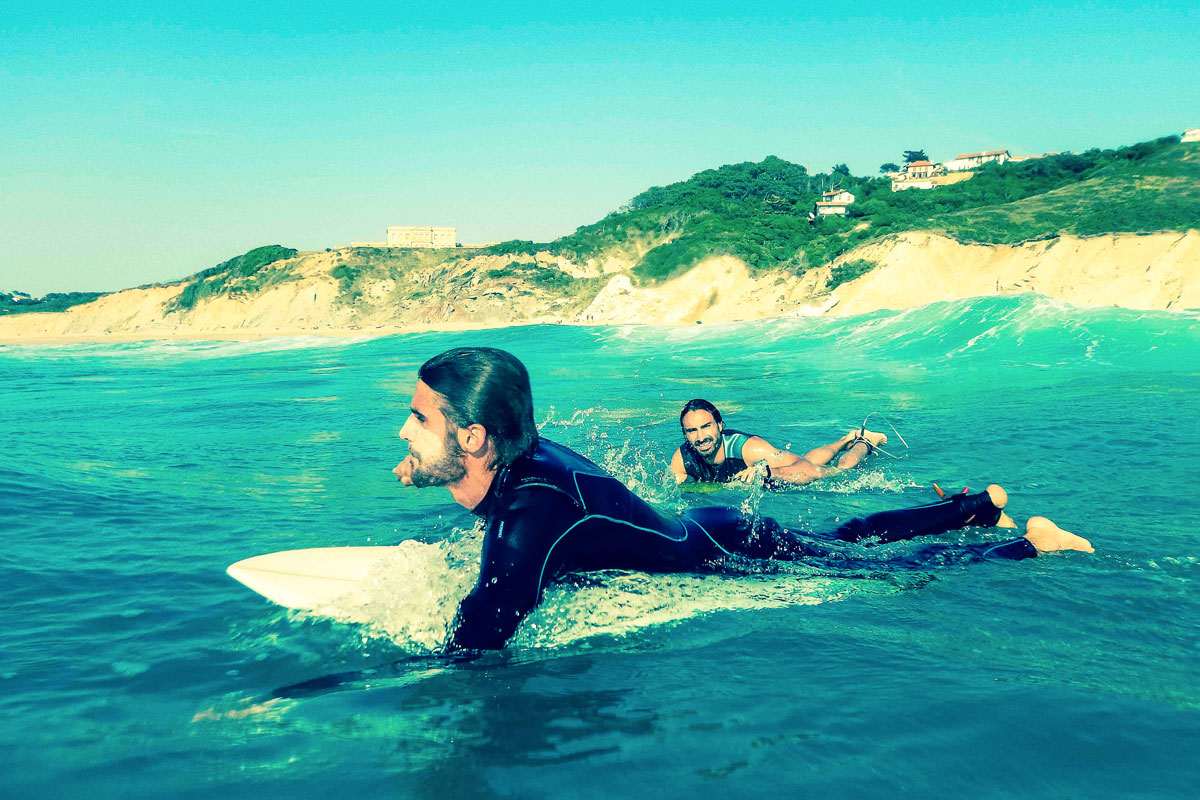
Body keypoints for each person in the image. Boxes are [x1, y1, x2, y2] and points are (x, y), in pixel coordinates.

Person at [393, 347, 1093, 652]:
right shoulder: (523, 457)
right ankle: (969, 508)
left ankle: (1027, 542)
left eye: (420, 419)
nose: (403, 430)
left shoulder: (531, 509)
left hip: (727, 550)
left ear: (477, 435)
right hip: (710, 524)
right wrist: (435, 464)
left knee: (873, 569)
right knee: (844, 539)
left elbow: (479, 639)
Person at [670, 398, 888, 485]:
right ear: (685, 434)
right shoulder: (682, 460)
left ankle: (864, 441)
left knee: (840, 469)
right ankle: (844, 440)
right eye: (692, 431)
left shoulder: (748, 449)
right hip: (779, 468)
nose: (700, 437)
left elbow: (805, 469)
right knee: (810, 458)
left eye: (706, 426)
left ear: (719, 425)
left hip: (777, 474)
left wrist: (767, 472)